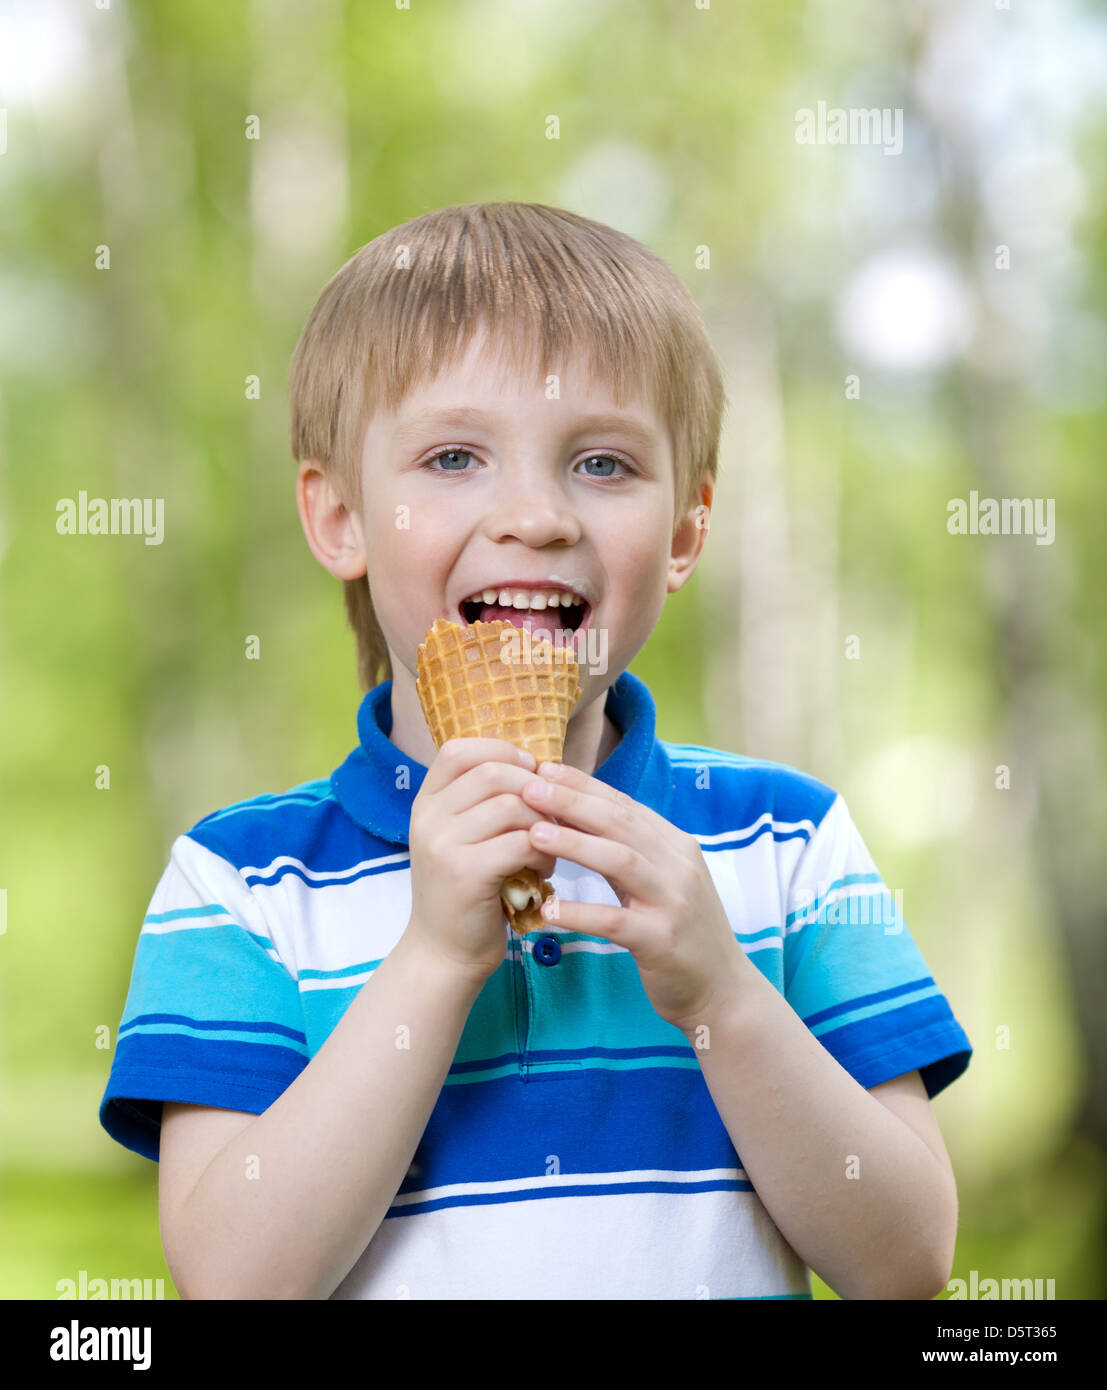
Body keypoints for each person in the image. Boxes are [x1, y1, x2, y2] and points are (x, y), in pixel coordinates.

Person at [99, 201, 972, 1300]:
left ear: (688, 529)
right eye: (455, 455)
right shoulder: (239, 884)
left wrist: (721, 993)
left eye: (603, 463)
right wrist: (431, 960)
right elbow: (234, 1280)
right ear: (340, 519)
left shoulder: (790, 844)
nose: (537, 514)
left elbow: (906, 1264)